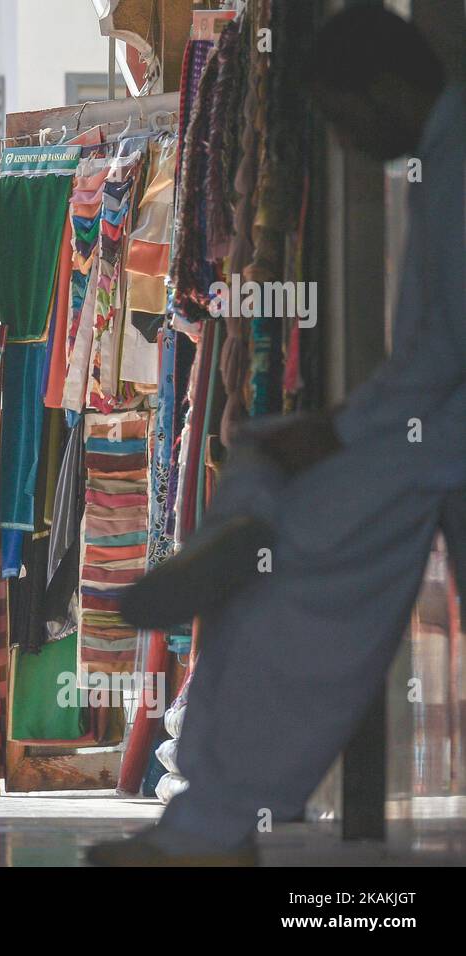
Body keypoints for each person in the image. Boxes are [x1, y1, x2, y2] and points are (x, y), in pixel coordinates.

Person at [90, 7, 464, 865]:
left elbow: (442, 357)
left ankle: (213, 817)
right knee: (276, 517)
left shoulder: (455, 170)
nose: (343, 138)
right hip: (429, 433)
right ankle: (235, 545)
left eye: (341, 115)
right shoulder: (440, 162)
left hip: (437, 437)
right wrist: (333, 432)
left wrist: (338, 435)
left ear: (386, 88)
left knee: (298, 583)